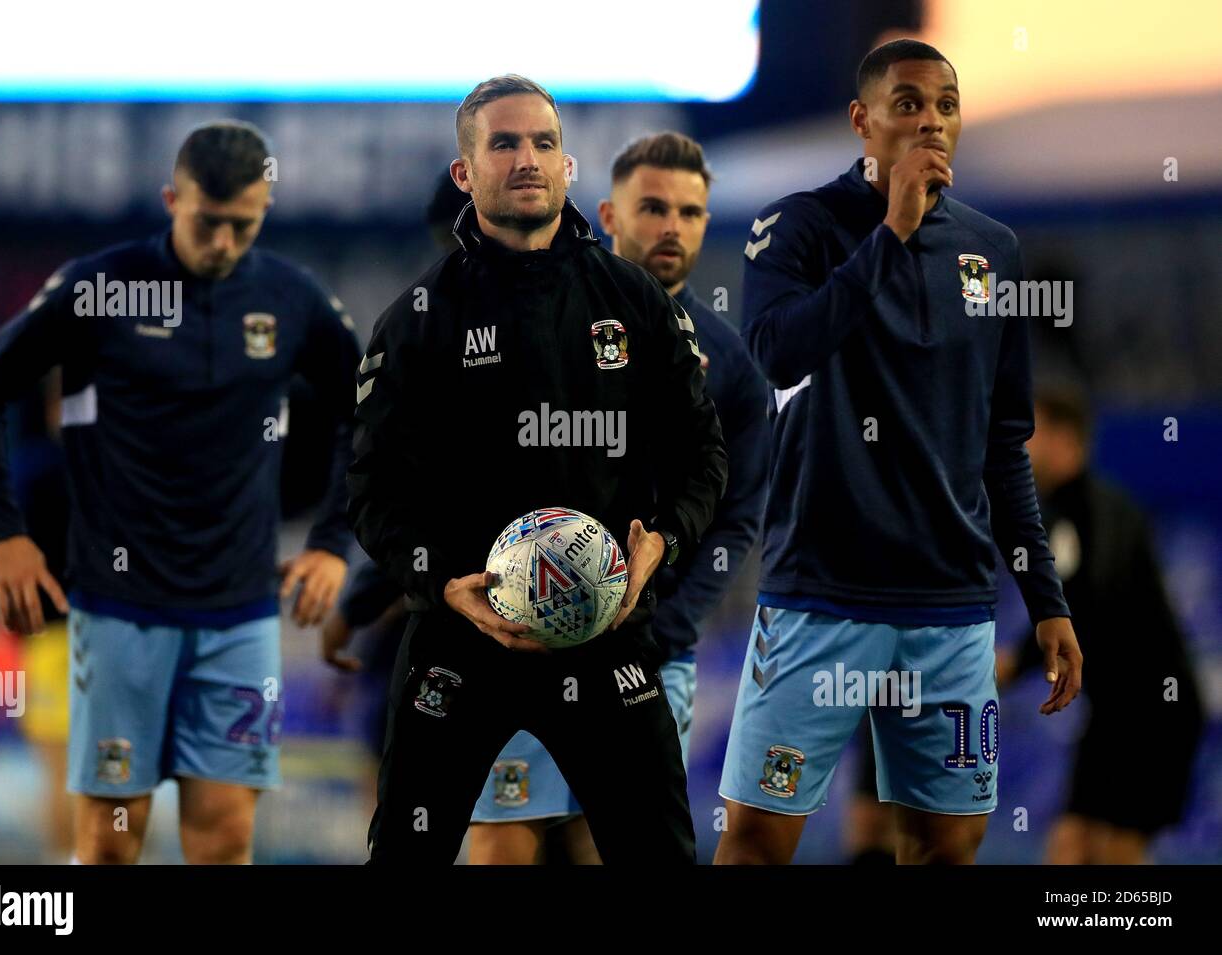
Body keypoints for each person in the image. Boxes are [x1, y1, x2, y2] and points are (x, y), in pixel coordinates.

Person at [0, 120, 360, 864]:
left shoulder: (289, 298)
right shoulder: (99, 287)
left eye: (246, 224)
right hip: (116, 609)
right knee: (110, 841)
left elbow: (371, 413)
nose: (226, 243)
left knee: (225, 836)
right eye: (209, 222)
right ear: (173, 199)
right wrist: (4, 534)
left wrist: (332, 541)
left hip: (239, 613)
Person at [715, 39, 1083, 865]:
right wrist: (891, 234)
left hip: (948, 606)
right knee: (755, 842)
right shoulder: (798, 226)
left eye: (946, 105)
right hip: (820, 593)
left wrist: (1046, 600)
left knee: (946, 846)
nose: (931, 121)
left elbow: (1005, 446)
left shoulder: (994, 252)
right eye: (909, 103)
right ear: (862, 121)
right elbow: (775, 353)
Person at [348, 75, 727, 864]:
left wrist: (661, 544)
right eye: (505, 143)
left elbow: (702, 458)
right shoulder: (418, 320)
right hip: (464, 636)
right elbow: (374, 491)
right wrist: (441, 582)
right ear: (466, 172)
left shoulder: (637, 302)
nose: (528, 159)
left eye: (544, 143)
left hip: (605, 629)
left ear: (567, 165)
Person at [466, 131, 768, 864]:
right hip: (524, 635)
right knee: (503, 847)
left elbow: (739, 517)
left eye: (691, 213)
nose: (672, 227)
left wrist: (671, 622)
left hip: (648, 647)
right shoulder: (532, 318)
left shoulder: (728, 364)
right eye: (654, 208)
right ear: (608, 213)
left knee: (607, 845)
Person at [999, 383, 1204, 863]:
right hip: (1118, 714)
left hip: (1152, 715)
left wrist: (1015, 663)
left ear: (1064, 438)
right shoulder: (1081, 513)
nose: (1020, 446)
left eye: (1031, 433)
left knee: (1113, 852)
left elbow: (1087, 605)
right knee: (1072, 843)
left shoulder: (1093, 515)